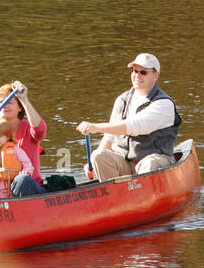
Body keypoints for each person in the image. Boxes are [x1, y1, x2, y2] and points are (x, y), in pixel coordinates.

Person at [77, 53, 182, 183]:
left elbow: (135, 126)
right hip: (125, 161)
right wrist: (92, 164)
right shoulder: (122, 100)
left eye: (143, 72)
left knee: (148, 164)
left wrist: (96, 127)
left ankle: (144, 197)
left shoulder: (164, 104)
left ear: (156, 75)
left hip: (155, 159)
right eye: (134, 71)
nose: (137, 75)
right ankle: (116, 197)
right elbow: (109, 138)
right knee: (98, 156)